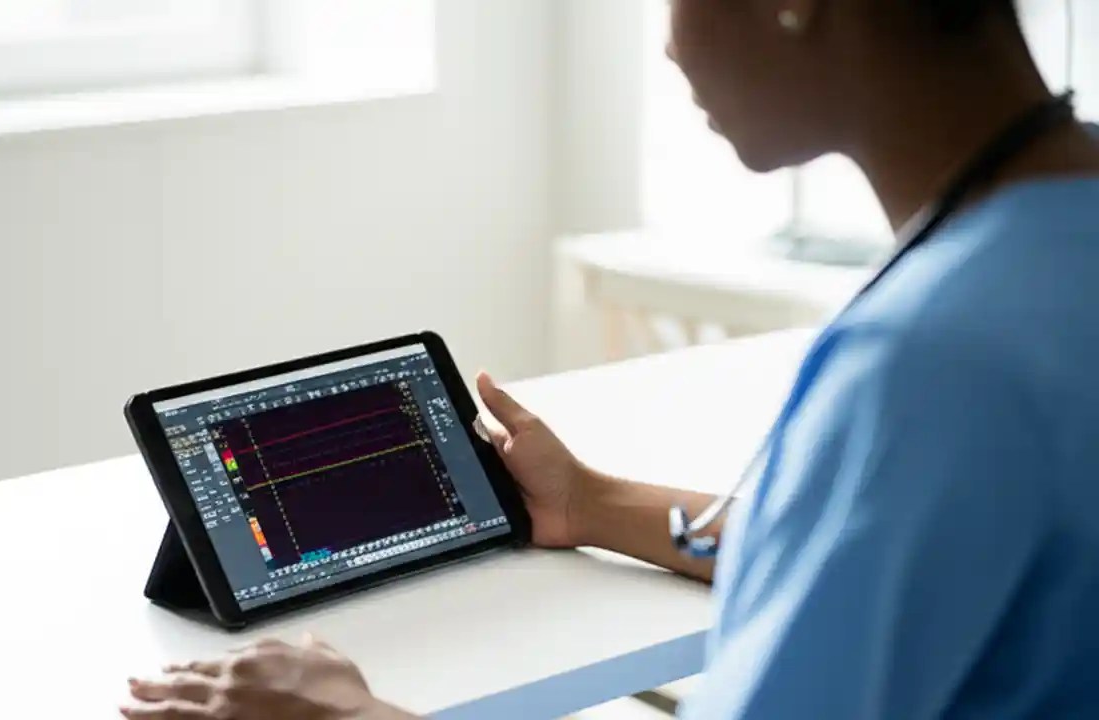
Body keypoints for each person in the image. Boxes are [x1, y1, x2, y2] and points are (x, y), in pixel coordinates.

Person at [120, 0, 1099, 717]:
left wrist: (352, 716)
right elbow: (926, 554)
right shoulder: (1051, 243)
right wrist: (591, 504)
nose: (668, 45)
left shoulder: (934, 362)